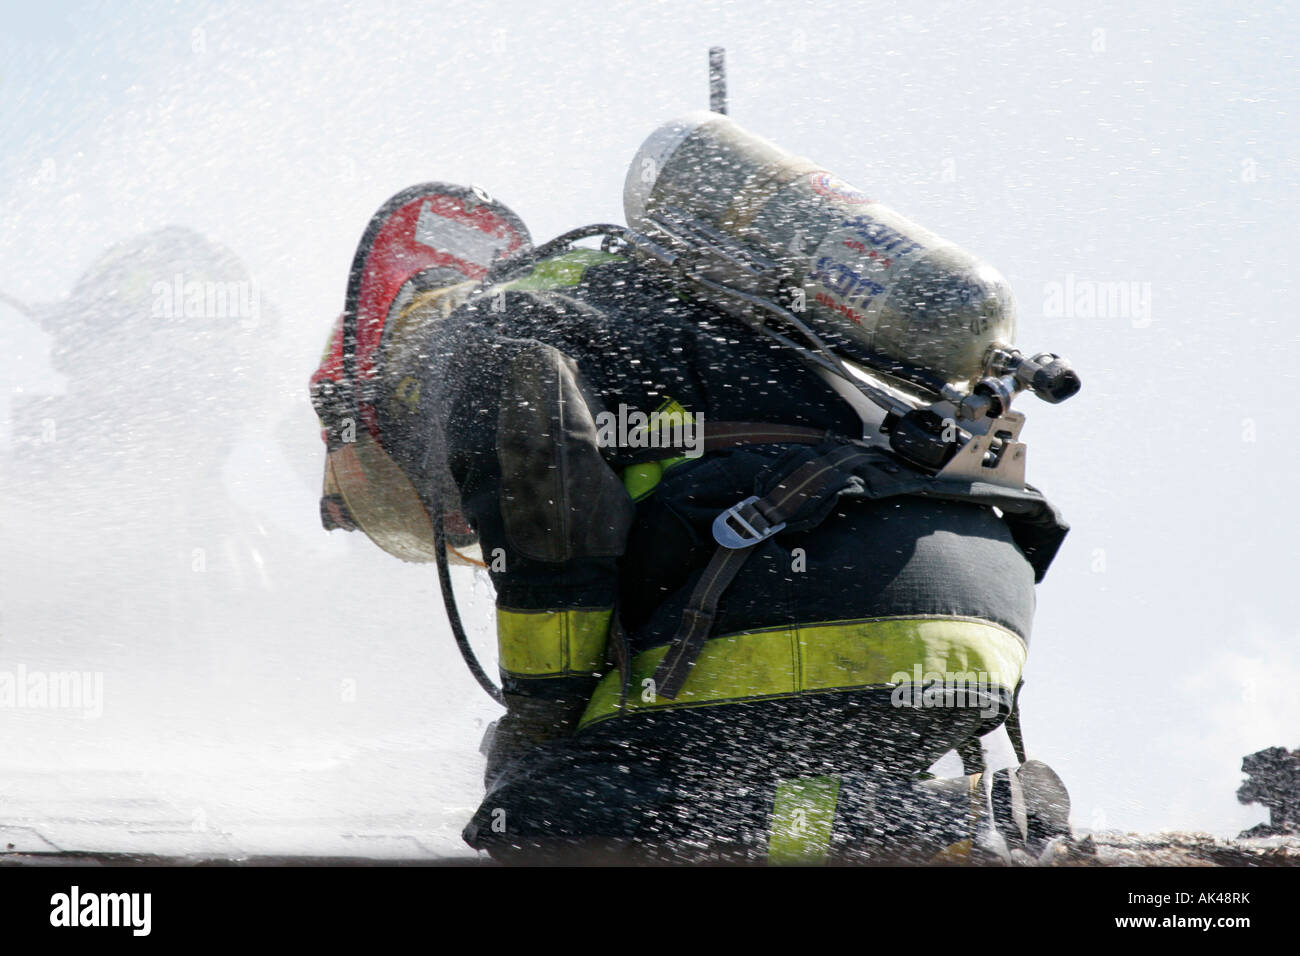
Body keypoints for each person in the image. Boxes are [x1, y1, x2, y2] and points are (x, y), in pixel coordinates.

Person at [314, 143, 1075, 864]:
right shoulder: (673, 302)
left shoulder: (486, 335)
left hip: (811, 599)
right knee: (734, 807)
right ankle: (921, 817)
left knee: (550, 816)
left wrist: (542, 708)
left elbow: (549, 494)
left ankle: (953, 820)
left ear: (383, 390)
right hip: (970, 610)